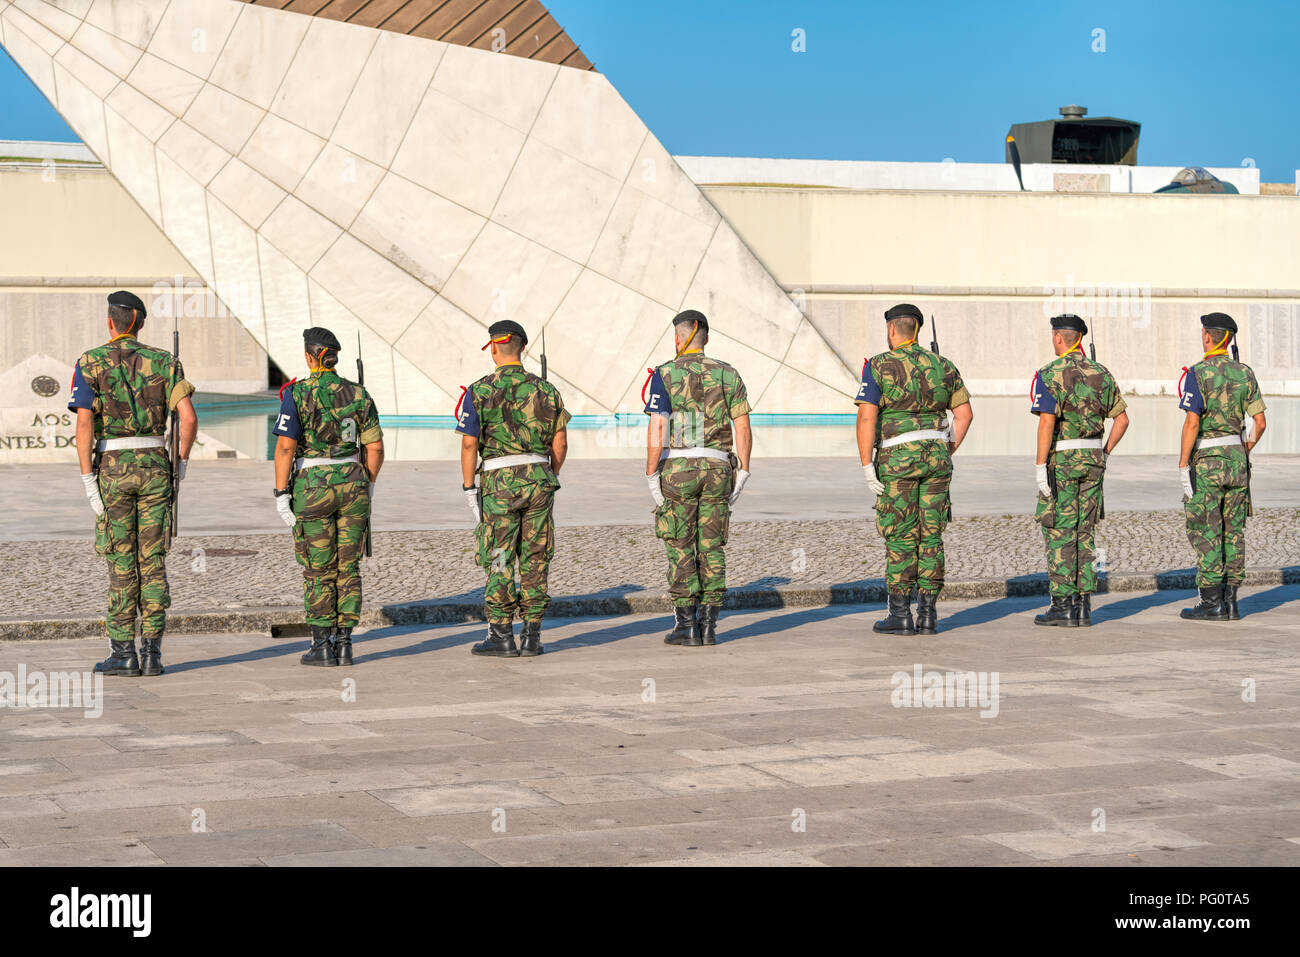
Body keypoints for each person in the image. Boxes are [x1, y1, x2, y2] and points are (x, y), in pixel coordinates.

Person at [70, 290, 197, 677]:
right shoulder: (165, 361)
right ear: (140, 323)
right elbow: (187, 419)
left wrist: (87, 478)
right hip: (157, 465)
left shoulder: (90, 362)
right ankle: (153, 653)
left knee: (121, 558)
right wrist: (181, 463)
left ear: (111, 322)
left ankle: (123, 653)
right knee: (153, 559)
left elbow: (84, 422)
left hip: (112, 467)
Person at [856, 303, 972, 636]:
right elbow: (964, 415)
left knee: (901, 534)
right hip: (936, 459)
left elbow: (867, 417)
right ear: (917, 329)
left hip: (897, 462)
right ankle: (928, 613)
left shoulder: (878, 366)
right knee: (931, 535)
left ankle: (899, 614)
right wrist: (945, 448)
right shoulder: (944, 365)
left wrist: (867, 465)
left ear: (892, 330)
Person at [456, 320, 569, 657]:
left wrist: (467, 487)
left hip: (498, 484)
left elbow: (468, 445)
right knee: (536, 556)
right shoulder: (547, 390)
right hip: (538, 478)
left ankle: (501, 635)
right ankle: (533, 636)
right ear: (523, 348)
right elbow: (560, 442)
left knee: (501, 557)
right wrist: (548, 473)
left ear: (493, 348)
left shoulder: (479, 391)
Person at [272, 327, 384, 665]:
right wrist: (369, 483)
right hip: (353, 482)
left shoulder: (298, 393)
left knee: (318, 567)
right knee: (348, 566)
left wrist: (280, 493)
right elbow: (374, 447)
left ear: (309, 356)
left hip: (313, 485)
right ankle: (346, 643)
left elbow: (285, 447)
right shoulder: (359, 394)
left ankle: (322, 645)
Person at [644, 309, 752, 647]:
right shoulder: (728, 374)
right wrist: (744, 469)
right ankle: (709, 625)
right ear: (705, 336)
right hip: (719, 467)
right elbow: (743, 426)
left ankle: (686, 625)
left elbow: (658, 426)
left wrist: (650, 472)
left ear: (678, 337)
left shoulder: (664, 373)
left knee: (680, 546)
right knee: (712, 546)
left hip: (679, 469)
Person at [1030, 314, 1130, 627]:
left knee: (1060, 531)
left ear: (1059, 338)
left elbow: (1047, 421)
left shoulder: (1050, 373)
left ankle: (1061, 607)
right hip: (1093, 460)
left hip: (1062, 461)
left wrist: (1039, 465)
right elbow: (1123, 420)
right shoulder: (1101, 372)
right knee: (1085, 532)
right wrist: (1105, 451)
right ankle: (1084, 606)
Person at [1177, 312, 1267, 620]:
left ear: (1207, 336)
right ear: (1228, 340)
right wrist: (1243, 448)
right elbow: (1260, 423)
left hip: (1207, 464)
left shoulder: (1198, 373)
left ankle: (1211, 601)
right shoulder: (1245, 373)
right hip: (1237, 460)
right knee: (1234, 530)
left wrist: (1182, 463)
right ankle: (1231, 601)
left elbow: (1192, 423)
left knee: (1207, 529)